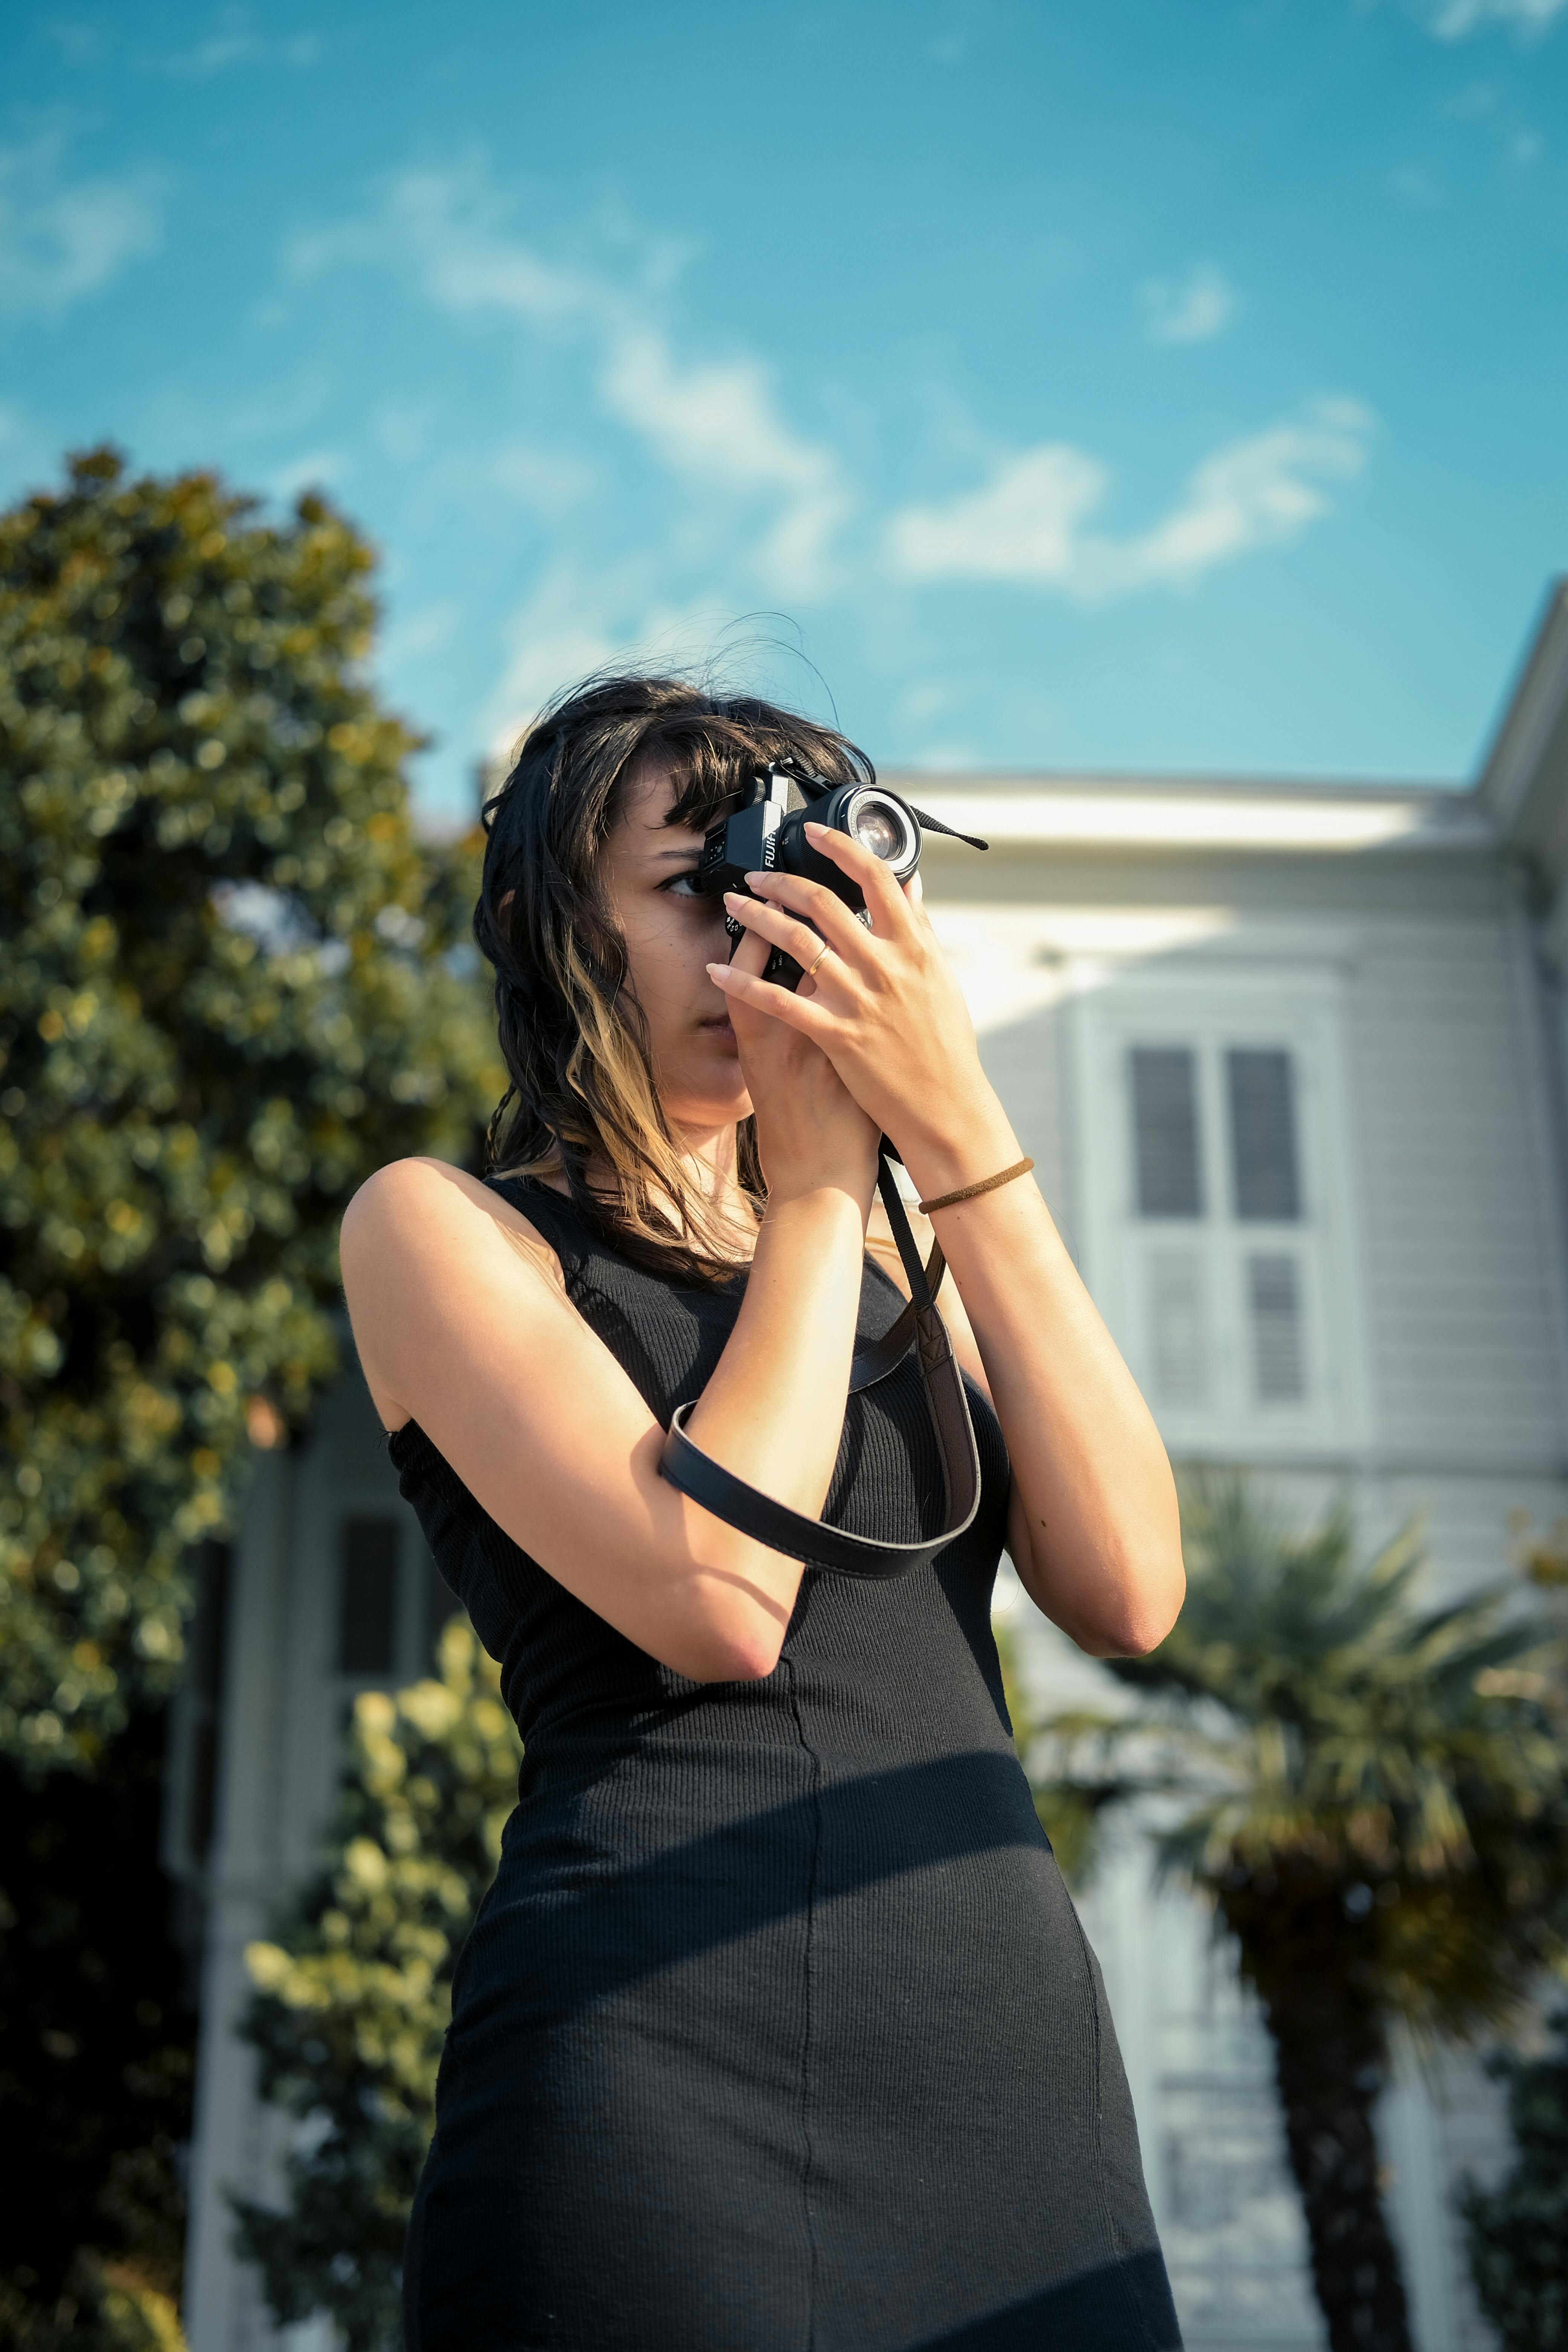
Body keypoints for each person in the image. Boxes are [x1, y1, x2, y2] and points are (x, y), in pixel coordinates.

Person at [340, 677, 1188, 2352]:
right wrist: (809, 1184)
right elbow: (720, 1596)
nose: (754, 935)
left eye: (786, 881)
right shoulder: (444, 1231)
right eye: (690, 886)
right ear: (538, 929)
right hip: (661, 2073)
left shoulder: (884, 1258)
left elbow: (1131, 1588)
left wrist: (954, 1125)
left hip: (1008, 2087)